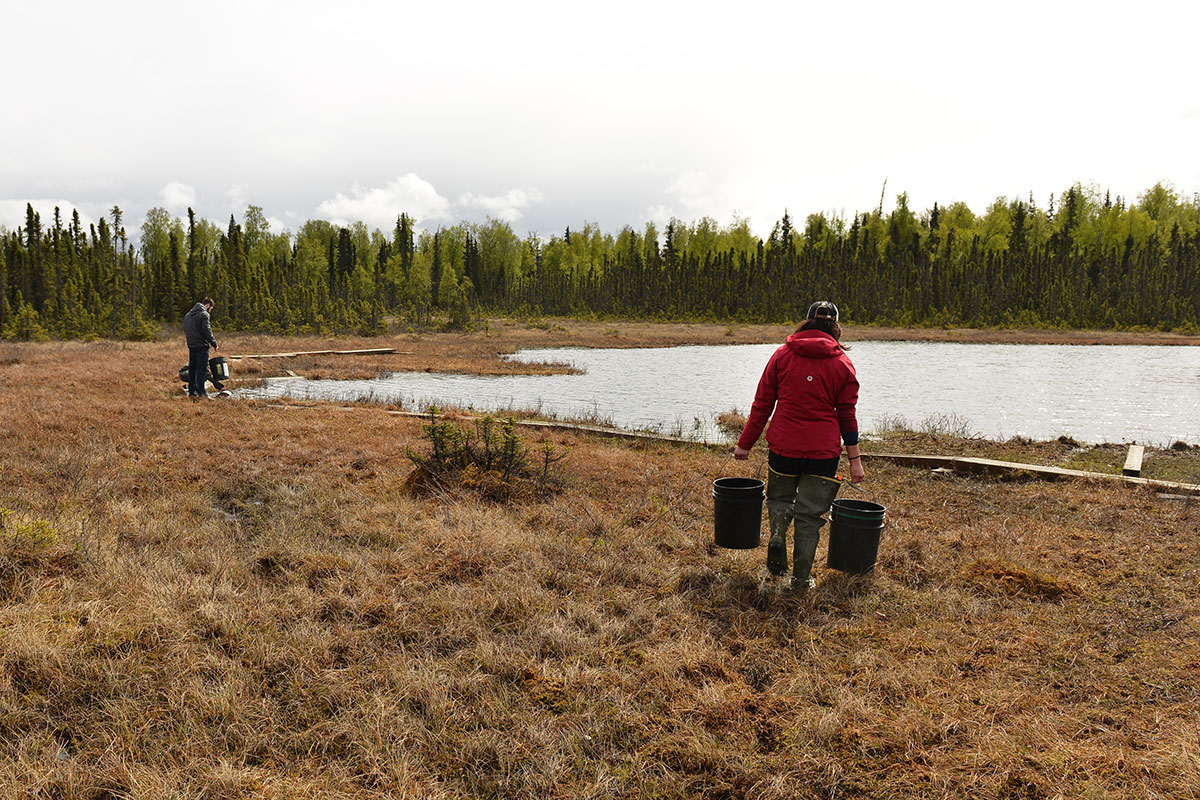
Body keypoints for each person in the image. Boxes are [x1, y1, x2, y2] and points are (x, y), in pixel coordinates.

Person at [733, 300, 865, 591]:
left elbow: (762, 405)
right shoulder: (843, 363)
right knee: (809, 515)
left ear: (805, 323)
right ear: (835, 327)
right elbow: (847, 414)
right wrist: (855, 460)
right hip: (823, 451)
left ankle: (777, 538)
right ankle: (801, 580)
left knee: (780, 499)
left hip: (783, 446)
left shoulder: (782, 355)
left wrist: (745, 444)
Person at [184, 297, 219, 399]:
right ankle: (202, 394)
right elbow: (207, 331)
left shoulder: (188, 315)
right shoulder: (204, 314)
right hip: (201, 346)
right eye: (211, 309)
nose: (210, 311)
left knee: (192, 368)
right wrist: (214, 344)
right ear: (208, 305)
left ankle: (192, 392)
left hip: (191, 345)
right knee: (201, 369)